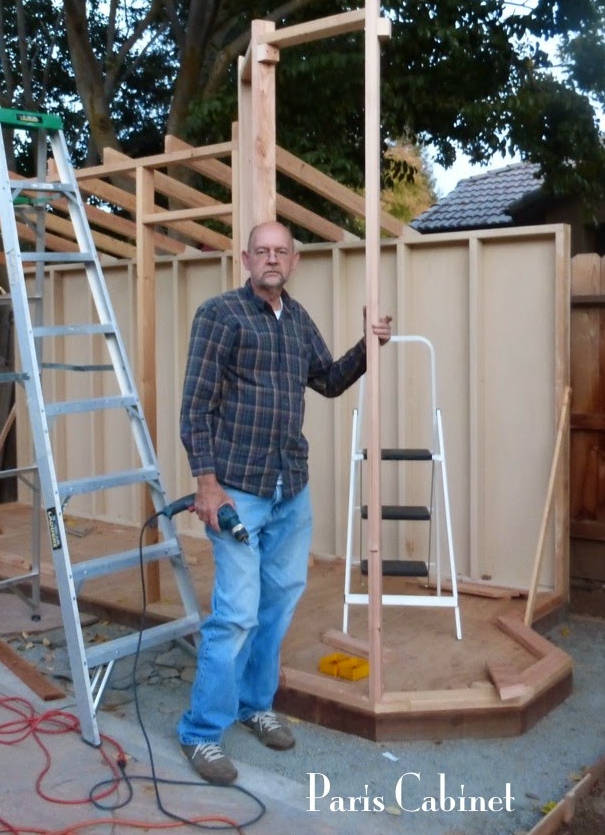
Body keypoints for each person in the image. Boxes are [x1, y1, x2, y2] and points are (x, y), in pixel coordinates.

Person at [177, 220, 392, 785]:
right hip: (238, 491)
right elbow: (194, 408)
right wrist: (206, 485)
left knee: (278, 603)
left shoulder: (296, 320)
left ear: (293, 262)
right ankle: (202, 732)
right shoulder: (220, 315)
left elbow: (327, 380)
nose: (272, 259)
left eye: (282, 252)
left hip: (288, 488)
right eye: (262, 251)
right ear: (246, 259)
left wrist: (368, 348)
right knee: (237, 613)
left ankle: (254, 704)